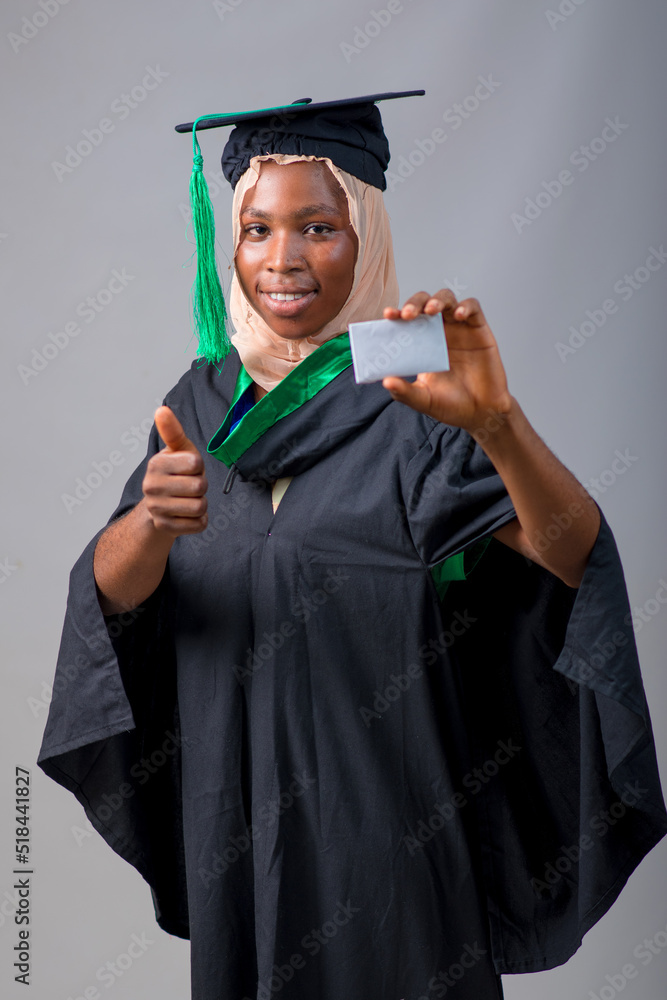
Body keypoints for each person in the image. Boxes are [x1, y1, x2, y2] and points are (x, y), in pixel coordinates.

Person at [38, 93, 666, 1000]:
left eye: (317, 227)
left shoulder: (414, 391)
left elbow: (570, 557)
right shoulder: (203, 403)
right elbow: (110, 601)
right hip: (239, 841)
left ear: (365, 231)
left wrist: (498, 425)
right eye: (255, 229)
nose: (281, 260)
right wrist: (145, 520)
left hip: (393, 852)